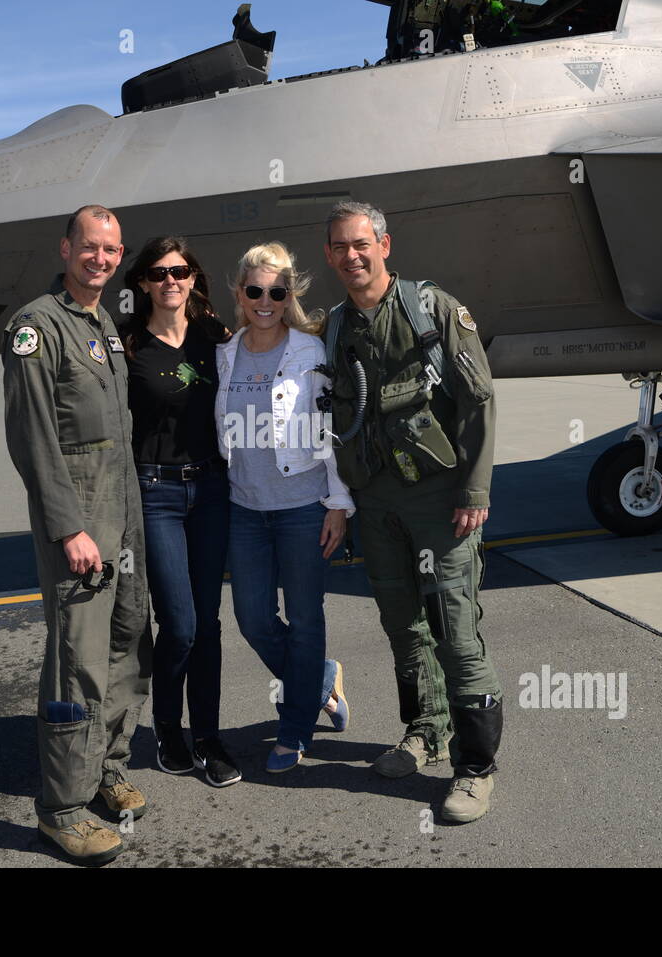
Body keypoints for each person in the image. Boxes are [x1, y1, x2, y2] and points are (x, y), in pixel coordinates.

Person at [321, 200, 504, 823]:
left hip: (438, 496)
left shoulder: (434, 310)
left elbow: (478, 401)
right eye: (341, 247)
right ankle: (425, 730)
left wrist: (473, 492)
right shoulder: (334, 327)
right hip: (376, 501)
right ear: (330, 255)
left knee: (456, 630)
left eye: (361, 244)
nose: (352, 256)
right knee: (402, 626)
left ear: (385, 245)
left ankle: (476, 768)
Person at [1, 204, 152, 866]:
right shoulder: (36, 327)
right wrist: (70, 528)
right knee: (76, 662)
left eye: (112, 249)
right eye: (90, 246)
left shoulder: (104, 327)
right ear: (66, 248)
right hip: (83, 525)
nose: (101, 257)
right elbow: (32, 438)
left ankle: (104, 772)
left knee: (127, 642)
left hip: (125, 518)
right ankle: (61, 808)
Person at [215, 242, 354, 772]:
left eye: (277, 291)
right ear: (240, 295)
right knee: (252, 618)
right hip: (245, 507)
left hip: (302, 505)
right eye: (255, 291)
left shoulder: (309, 352)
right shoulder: (227, 353)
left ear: (289, 294)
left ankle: (294, 730)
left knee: (304, 618)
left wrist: (338, 503)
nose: (265, 300)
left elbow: (331, 430)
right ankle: (320, 679)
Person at [120, 237, 241, 788]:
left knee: (210, 625)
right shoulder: (126, 345)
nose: (171, 280)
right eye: (159, 272)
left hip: (213, 489)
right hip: (158, 493)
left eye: (181, 270)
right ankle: (168, 726)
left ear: (194, 278)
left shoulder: (216, 339)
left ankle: (210, 735)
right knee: (181, 624)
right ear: (142, 282)